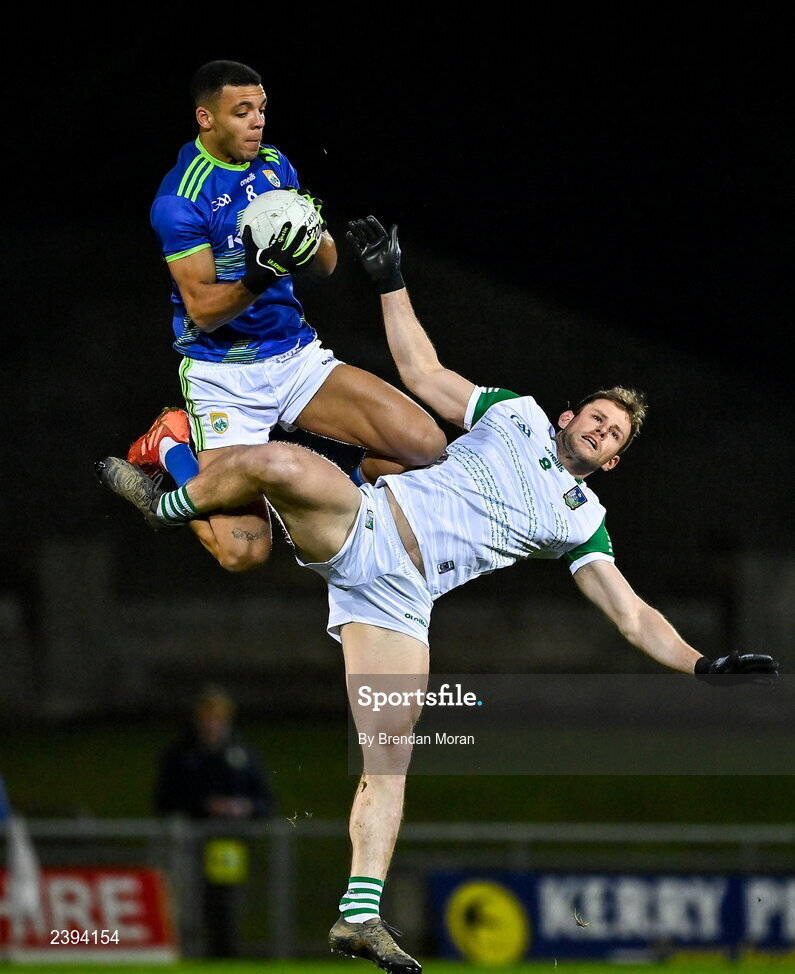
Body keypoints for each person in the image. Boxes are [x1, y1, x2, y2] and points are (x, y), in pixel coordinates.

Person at [101, 218, 778, 973]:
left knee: (387, 756)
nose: (600, 428)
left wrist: (700, 666)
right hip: (368, 528)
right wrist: (390, 277)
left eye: (613, 432)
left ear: (614, 460)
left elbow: (630, 615)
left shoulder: (583, 521)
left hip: (401, 604)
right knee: (275, 472)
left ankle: (358, 915)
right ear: (567, 416)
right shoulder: (513, 415)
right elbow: (422, 373)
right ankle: (165, 498)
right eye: (595, 414)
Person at [97, 60, 445, 572]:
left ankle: (305, 477)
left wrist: (313, 237)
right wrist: (262, 274)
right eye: (242, 112)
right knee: (243, 552)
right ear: (206, 118)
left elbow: (325, 264)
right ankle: (172, 444)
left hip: (295, 359)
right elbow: (205, 313)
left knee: (425, 448)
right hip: (224, 379)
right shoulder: (179, 200)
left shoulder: (274, 165)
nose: (258, 122)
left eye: (261, 109)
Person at [154, 685, 275, 957]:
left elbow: (264, 799)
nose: (212, 722)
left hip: (227, 841)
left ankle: (223, 954)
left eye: (217, 716)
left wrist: (244, 807)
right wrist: (204, 804)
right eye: (207, 715)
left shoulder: (242, 754)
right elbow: (165, 798)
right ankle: (184, 953)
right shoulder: (181, 754)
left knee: (224, 900)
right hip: (187, 842)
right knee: (186, 902)